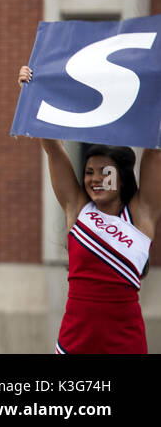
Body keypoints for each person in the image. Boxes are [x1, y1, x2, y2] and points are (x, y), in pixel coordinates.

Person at [19, 64, 159, 353]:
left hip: (125, 342)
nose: (94, 179)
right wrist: (35, 91)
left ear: (121, 177)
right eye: (89, 172)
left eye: (103, 172)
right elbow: (53, 149)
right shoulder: (77, 208)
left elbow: (154, 154)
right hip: (75, 341)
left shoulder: (141, 213)